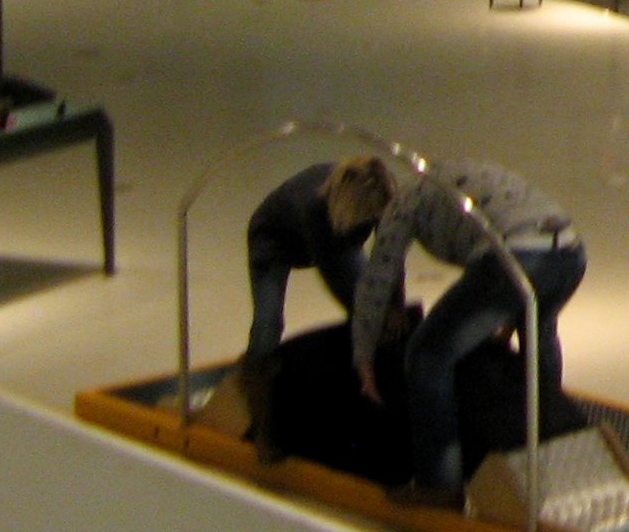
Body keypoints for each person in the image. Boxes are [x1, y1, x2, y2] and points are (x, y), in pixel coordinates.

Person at [350, 159, 586, 510]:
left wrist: (364, 357)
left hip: (518, 260)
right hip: (569, 251)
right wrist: (506, 315)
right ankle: (552, 442)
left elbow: (377, 279)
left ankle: (437, 487)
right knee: (538, 331)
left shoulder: (400, 206)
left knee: (428, 355)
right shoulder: (446, 176)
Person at [236, 156, 392, 459]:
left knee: (375, 306)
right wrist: (367, 321)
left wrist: (392, 304)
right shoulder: (313, 204)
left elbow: (389, 254)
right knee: (268, 324)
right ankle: (263, 423)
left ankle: (368, 399)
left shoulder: (380, 197)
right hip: (273, 241)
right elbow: (334, 272)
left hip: (335, 236)